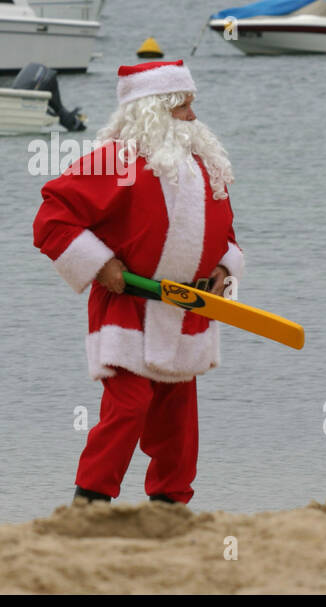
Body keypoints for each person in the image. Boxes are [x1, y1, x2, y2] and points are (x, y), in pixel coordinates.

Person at [33, 59, 243, 505]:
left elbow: (226, 235)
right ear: (152, 111)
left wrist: (225, 270)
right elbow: (52, 218)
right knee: (127, 409)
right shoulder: (115, 161)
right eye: (181, 106)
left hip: (185, 312)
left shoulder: (206, 165)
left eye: (191, 104)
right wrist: (99, 263)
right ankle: (89, 502)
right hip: (128, 305)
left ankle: (169, 508)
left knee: (179, 423)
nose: (192, 116)